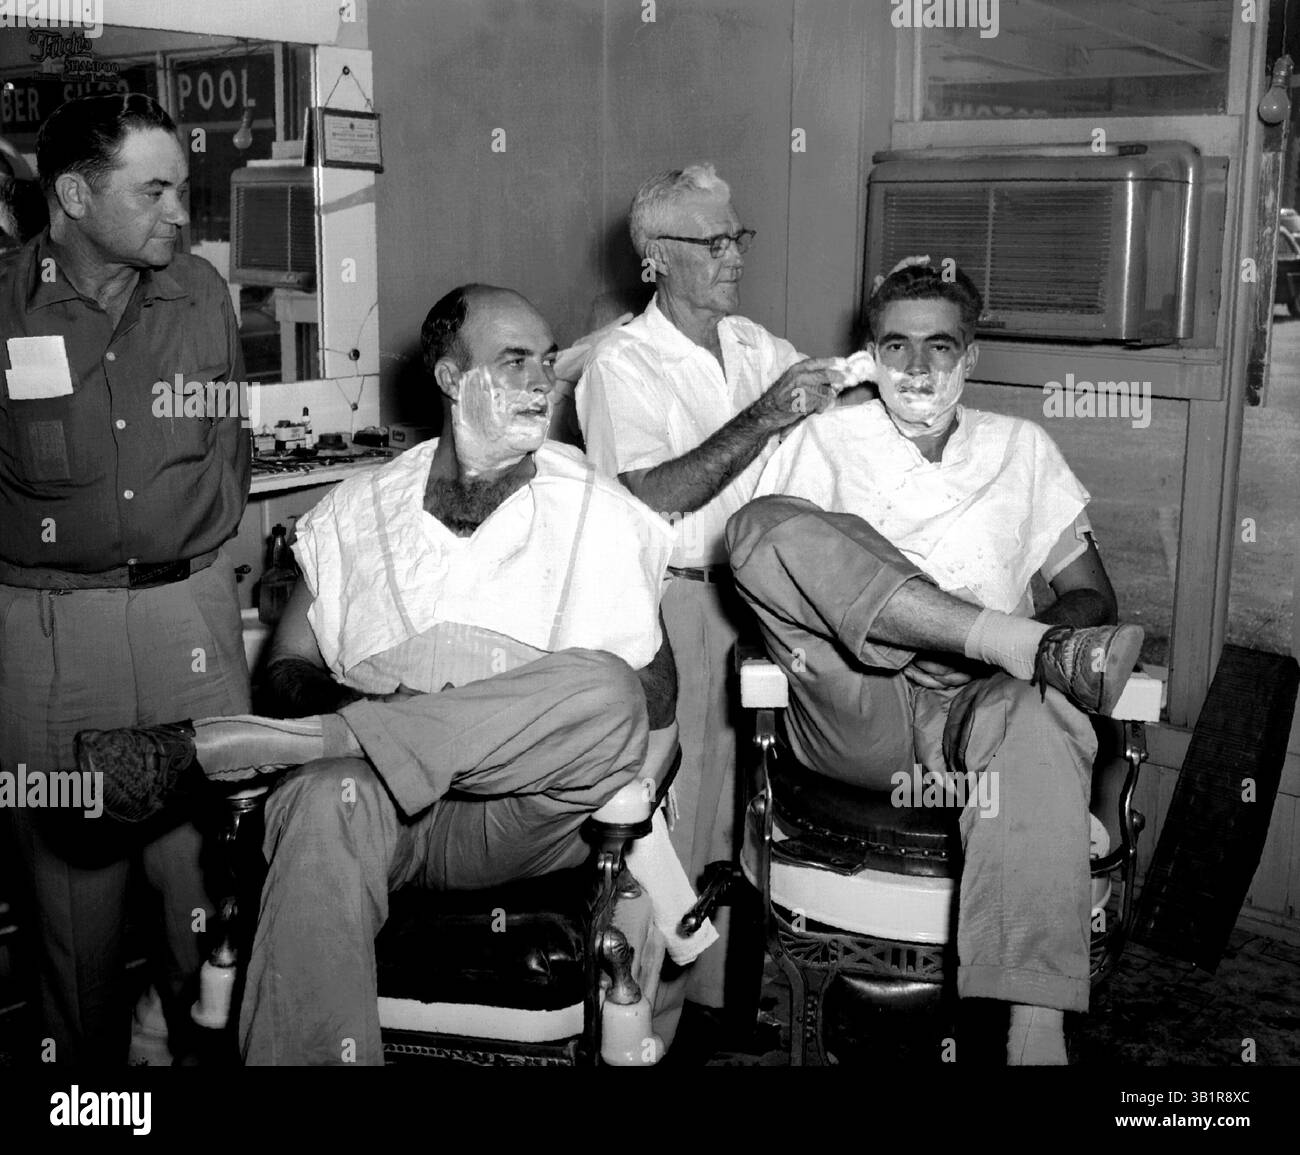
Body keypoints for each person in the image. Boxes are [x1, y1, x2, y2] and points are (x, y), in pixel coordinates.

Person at [74, 284, 716, 1065]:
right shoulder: (356, 508)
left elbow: (650, 702)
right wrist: (387, 716)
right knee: (315, 798)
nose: (542, 382)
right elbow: (284, 668)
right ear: (450, 377)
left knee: (608, 693)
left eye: (548, 362)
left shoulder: (600, 508)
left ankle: (225, 747)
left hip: (515, 816)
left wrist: (484, 712)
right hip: (368, 803)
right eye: (514, 362)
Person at [729, 259, 1144, 1065]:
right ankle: (1002, 635)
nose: (917, 368)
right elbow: (768, 554)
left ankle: (1034, 1036)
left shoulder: (1021, 448)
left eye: (940, 346)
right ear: (870, 353)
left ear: (971, 356)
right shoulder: (824, 439)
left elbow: (1092, 597)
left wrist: (1001, 663)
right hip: (857, 702)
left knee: (1035, 720)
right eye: (896, 345)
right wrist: (985, 637)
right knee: (760, 526)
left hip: (976, 709)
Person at [0, 93, 251, 1064]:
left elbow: (226, 446)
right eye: (154, 192)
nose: (180, 213)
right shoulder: (6, 306)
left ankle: (203, 1051)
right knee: (74, 917)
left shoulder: (200, 293)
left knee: (213, 887)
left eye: (182, 189)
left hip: (190, 617)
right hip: (57, 636)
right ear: (72, 194)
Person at [576, 164, 848, 1041]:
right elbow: (655, 492)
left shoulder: (752, 345)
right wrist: (769, 414)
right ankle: (639, 1018)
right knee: (669, 822)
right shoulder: (621, 364)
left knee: (747, 810)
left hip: (763, 606)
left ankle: (715, 1006)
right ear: (656, 258)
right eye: (713, 240)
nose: (734, 255)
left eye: (739, 236)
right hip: (674, 604)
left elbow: (829, 400)